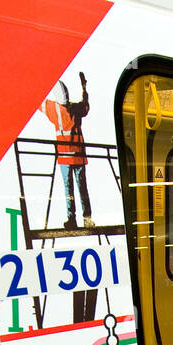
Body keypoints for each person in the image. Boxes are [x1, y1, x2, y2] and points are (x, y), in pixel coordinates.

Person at [42, 72, 95, 230]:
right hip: (78, 156)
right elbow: (86, 105)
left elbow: (38, 102)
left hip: (65, 158)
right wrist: (84, 88)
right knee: (82, 188)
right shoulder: (76, 109)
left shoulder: (54, 109)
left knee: (68, 189)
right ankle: (87, 218)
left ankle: (71, 219)